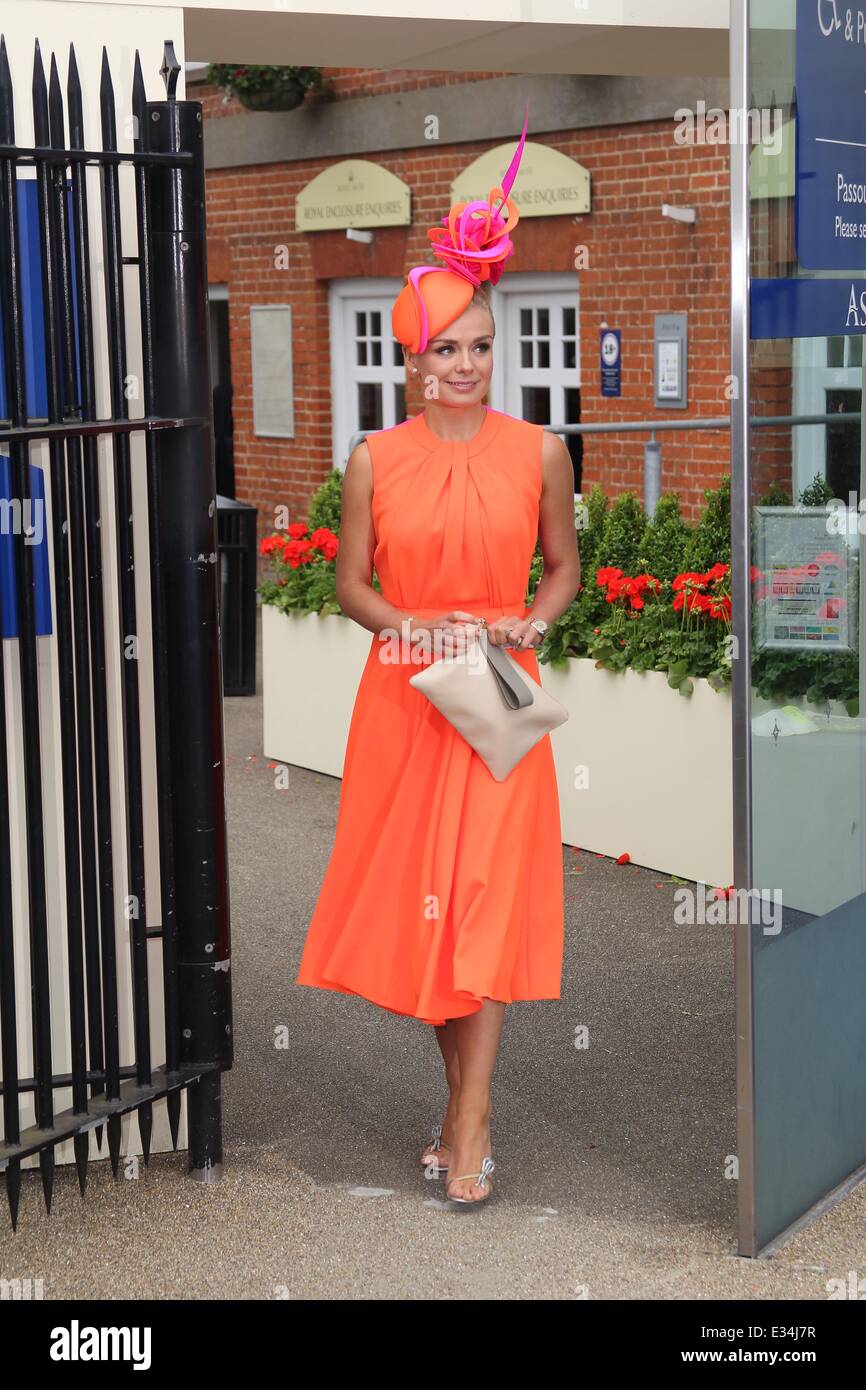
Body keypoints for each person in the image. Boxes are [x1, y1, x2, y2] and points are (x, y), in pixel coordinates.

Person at [296, 104, 581, 1205]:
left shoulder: (538, 452)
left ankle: (471, 1120)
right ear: (412, 359)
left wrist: (532, 620)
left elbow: (559, 571)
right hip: (407, 693)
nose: (463, 364)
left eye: (477, 346)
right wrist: (404, 627)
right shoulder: (374, 459)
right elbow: (351, 584)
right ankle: (455, 1093)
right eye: (443, 349)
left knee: (482, 899)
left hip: (500, 691)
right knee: (425, 908)